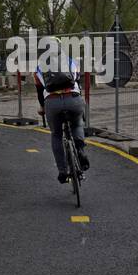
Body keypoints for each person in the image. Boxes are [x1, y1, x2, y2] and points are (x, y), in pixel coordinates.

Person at [34, 54, 89, 184]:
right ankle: (80, 150)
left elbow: (39, 91)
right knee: (77, 125)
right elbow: (77, 80)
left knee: (57, 135)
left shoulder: (39, 66)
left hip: (52, 103)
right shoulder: (69, 60)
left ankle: (63, 171)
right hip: (73, 98)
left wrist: (42, 107)